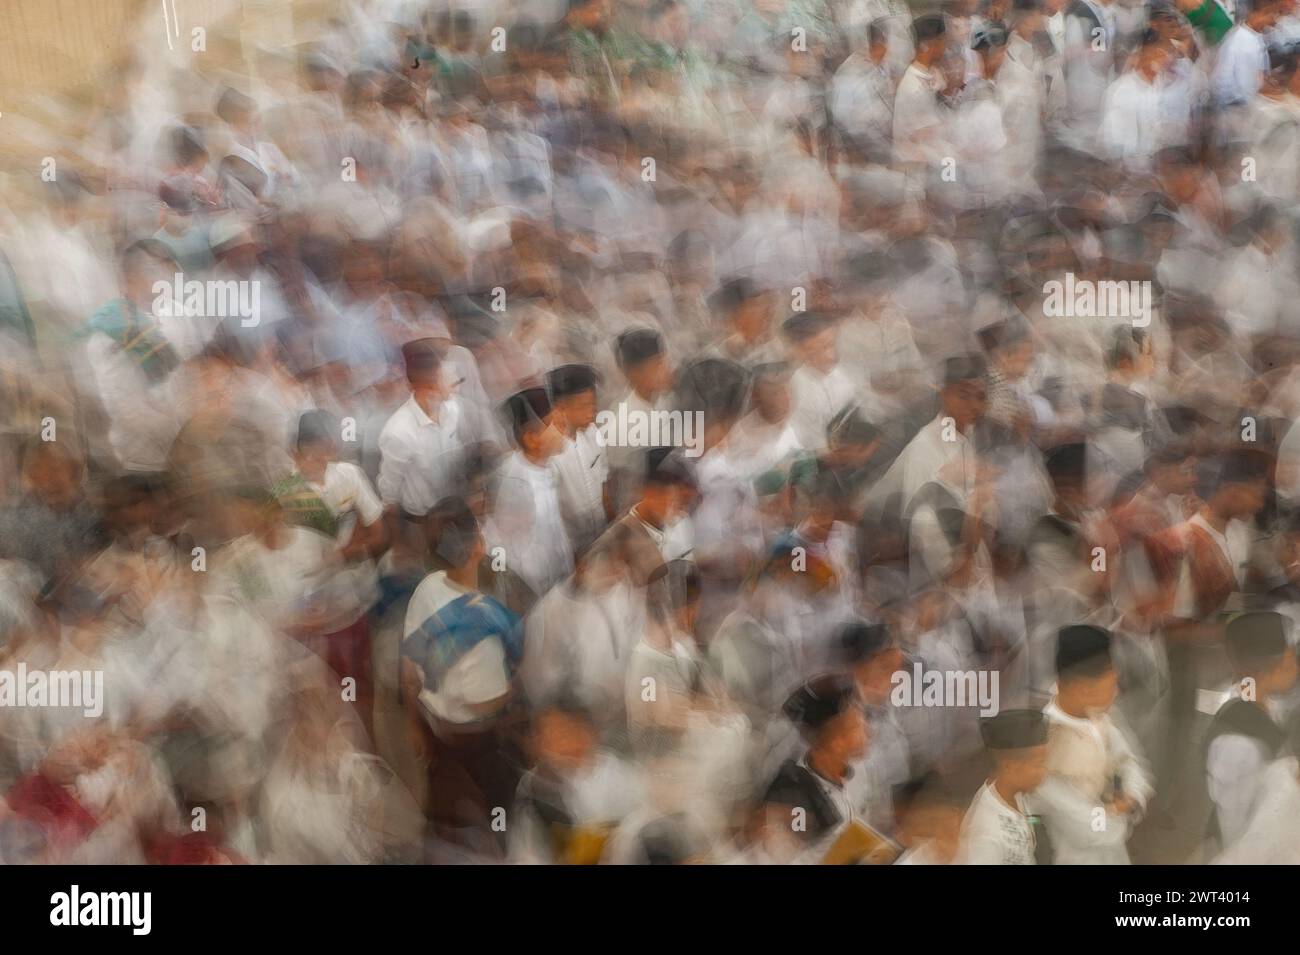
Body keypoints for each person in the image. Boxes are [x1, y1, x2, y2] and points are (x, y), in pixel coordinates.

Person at [1037, 624, 1153, 863]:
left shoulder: (1101, 715)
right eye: (1111, 684)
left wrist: (1131, 798)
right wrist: (1120, 813)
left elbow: (1133, 764)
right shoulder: (1043, 746)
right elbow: (1090, 827)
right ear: (1082, 689)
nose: (1117, 692)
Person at [1204, 610, 1297, 856]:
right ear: (1263, 672)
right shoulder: (1236, 742)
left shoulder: (1268, 703)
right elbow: (1237, 831)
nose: (1296, 668)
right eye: (1289, 663)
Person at [487, 387, 573, 604]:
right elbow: (511, 551)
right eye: (556, 424)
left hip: (553, 585)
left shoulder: (547, 466)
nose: (564, 428)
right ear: (532, 439)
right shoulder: (515, 481)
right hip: (528, 593)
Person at [958, 708, 1050, 864]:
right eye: (1038, 764)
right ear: (1010, 767)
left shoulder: (1015, 793)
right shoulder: (986, 834)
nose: (1044, 772)